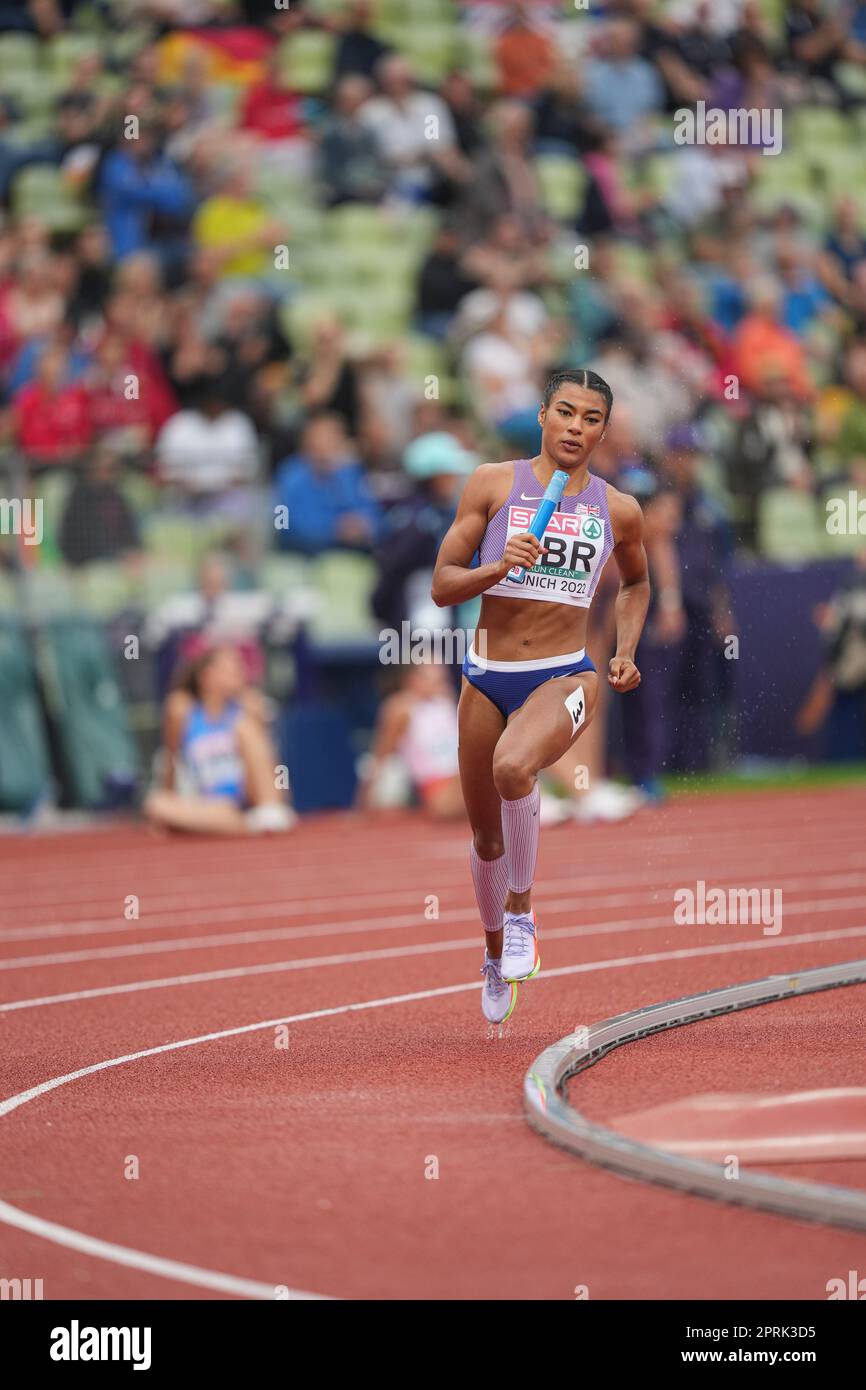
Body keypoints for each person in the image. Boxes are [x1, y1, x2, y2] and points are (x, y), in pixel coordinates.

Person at [431, 368, 649, 1023]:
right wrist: (498, 566)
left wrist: (624, 651)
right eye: (565, 412)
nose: (576, 428)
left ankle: (524, 910)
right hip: (484, 676)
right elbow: (443, 586)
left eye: (590, 419)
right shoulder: (492, 483)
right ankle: (495, 956)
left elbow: (636, 584)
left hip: (565, 674)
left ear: (603, 431)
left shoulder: (618, 509)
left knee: (512, 767)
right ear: (542, 415)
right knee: (484, 838)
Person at [144, 644, 295, 835]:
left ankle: (267, 812)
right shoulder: (181, 709)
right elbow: (171, 758)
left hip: (249, 796)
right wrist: (168, 809)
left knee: (245, 728)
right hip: (211, 803)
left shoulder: (248, 706)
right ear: (207, 675)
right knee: (156, 804)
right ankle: (246, 825)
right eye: (231, 668)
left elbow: (271, 762)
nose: (240, 673)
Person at [357, 663, 464, 820]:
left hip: (460, 780)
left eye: (443, 677)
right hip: (439, 790)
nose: (441, 681)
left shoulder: (445, 702)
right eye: (434, 677)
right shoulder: (400, 708)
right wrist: (361, 802)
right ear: (413, 679)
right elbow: (380, 756)